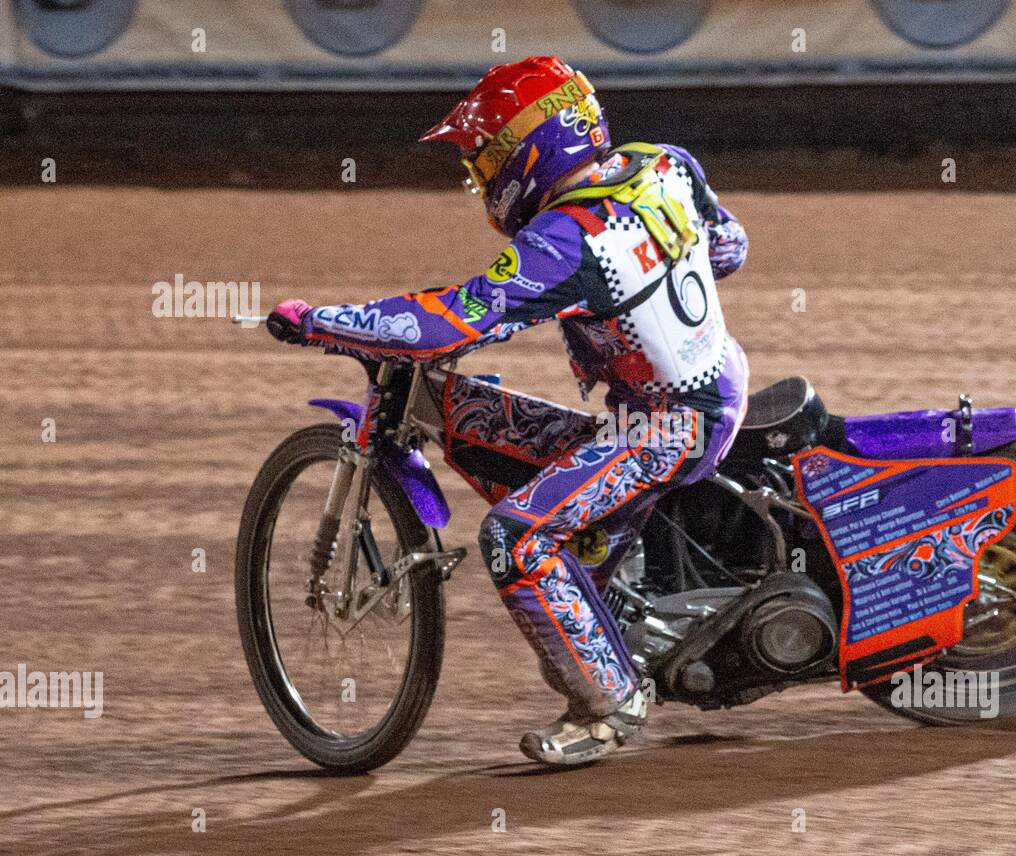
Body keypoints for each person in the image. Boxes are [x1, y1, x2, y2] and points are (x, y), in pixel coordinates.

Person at [264, 55, 751, 766]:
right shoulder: (663, 163)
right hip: (705, 386)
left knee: (514, 538)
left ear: (532, 147)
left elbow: (445, 325)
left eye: (484, 159)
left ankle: (611, 704)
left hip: (668, 425)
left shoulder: (567, 239)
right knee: (489, 421)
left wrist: (319, 321)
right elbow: (729, 247)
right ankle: (615, 580)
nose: (480, 179)